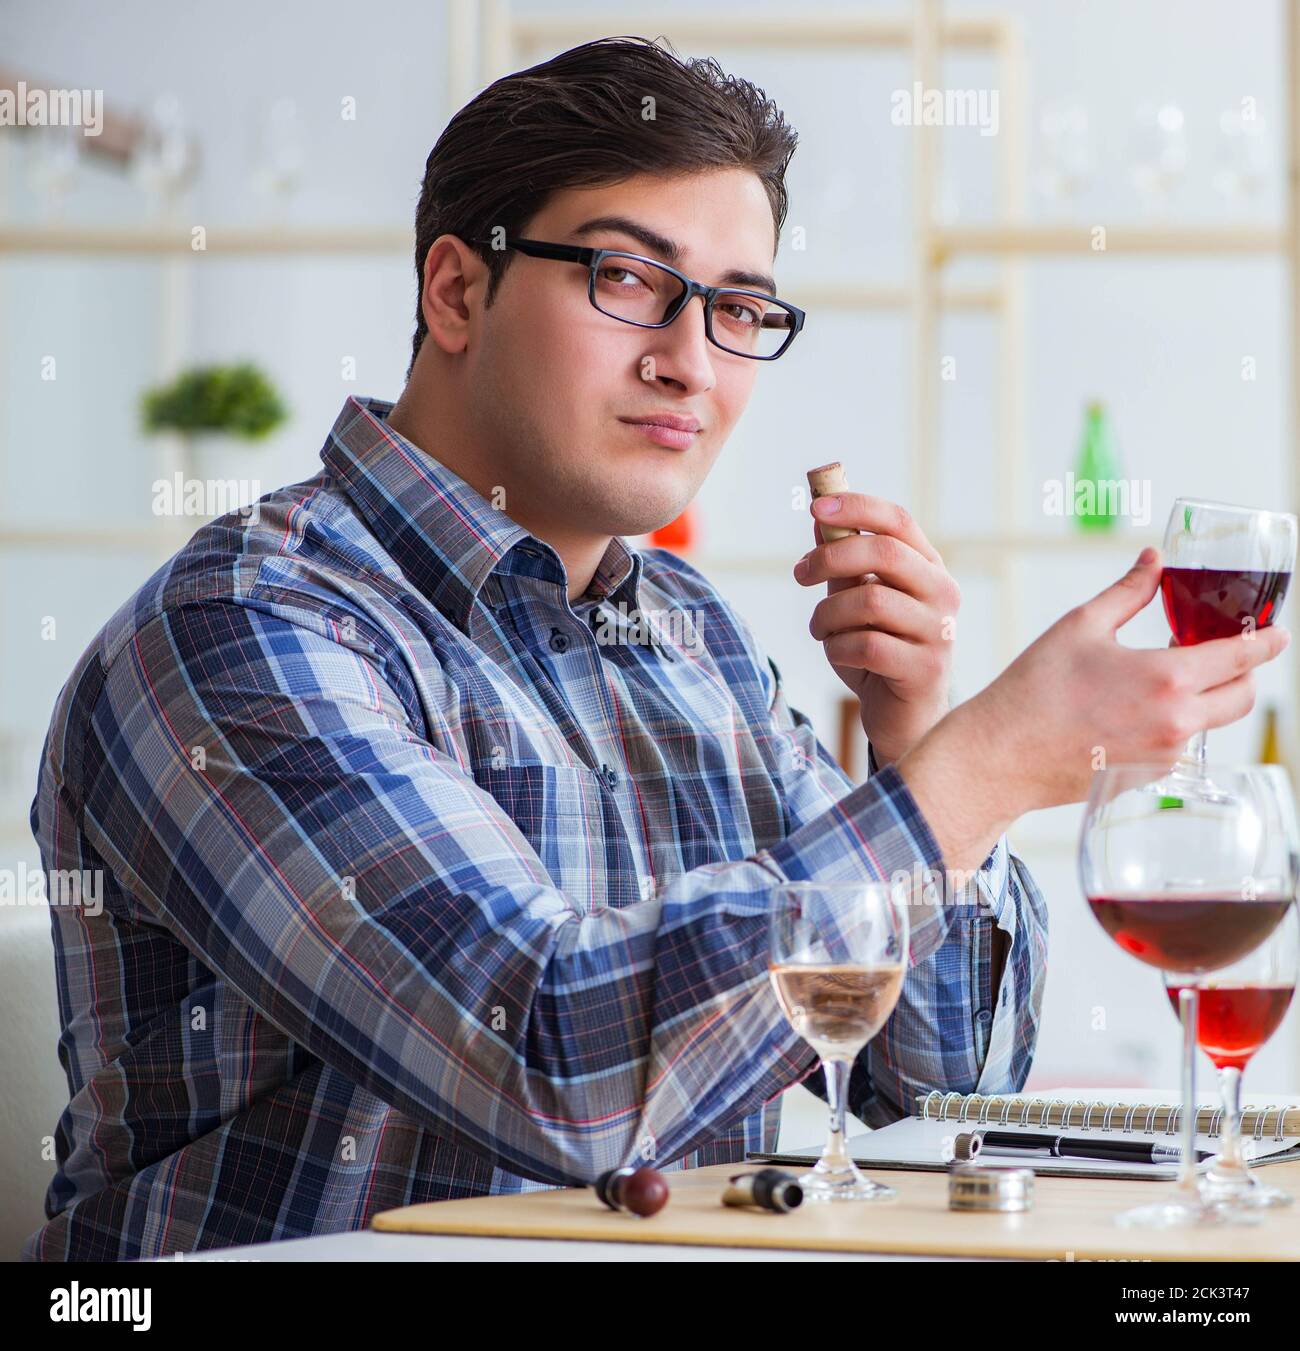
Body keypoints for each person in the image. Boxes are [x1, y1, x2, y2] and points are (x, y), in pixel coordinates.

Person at [23, 36, 1284, 1261]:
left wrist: (919, 738)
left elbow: (938, 1076)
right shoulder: (247, 628)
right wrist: (986, 768)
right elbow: (548, 1062)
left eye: (738, 308)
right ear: (457, 289)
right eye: (627, 280)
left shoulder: (691, 638)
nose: (689, 362)